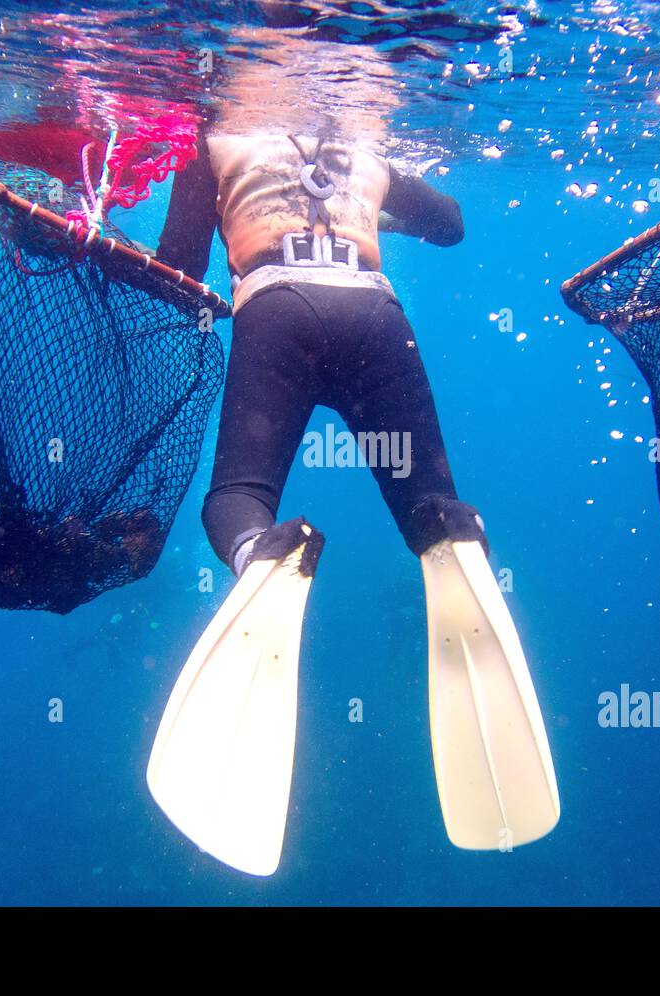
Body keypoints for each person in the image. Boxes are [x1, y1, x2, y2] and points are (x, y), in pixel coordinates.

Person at [142, 54, 558, 877]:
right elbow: (450, 224)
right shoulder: (366, 142)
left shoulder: (212, 136)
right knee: (430, 500)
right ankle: (451, 532)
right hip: (374, 315)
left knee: (236, 498)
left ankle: (264, 551)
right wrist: (368, 200)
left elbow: (180, 268)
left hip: (278, 311)